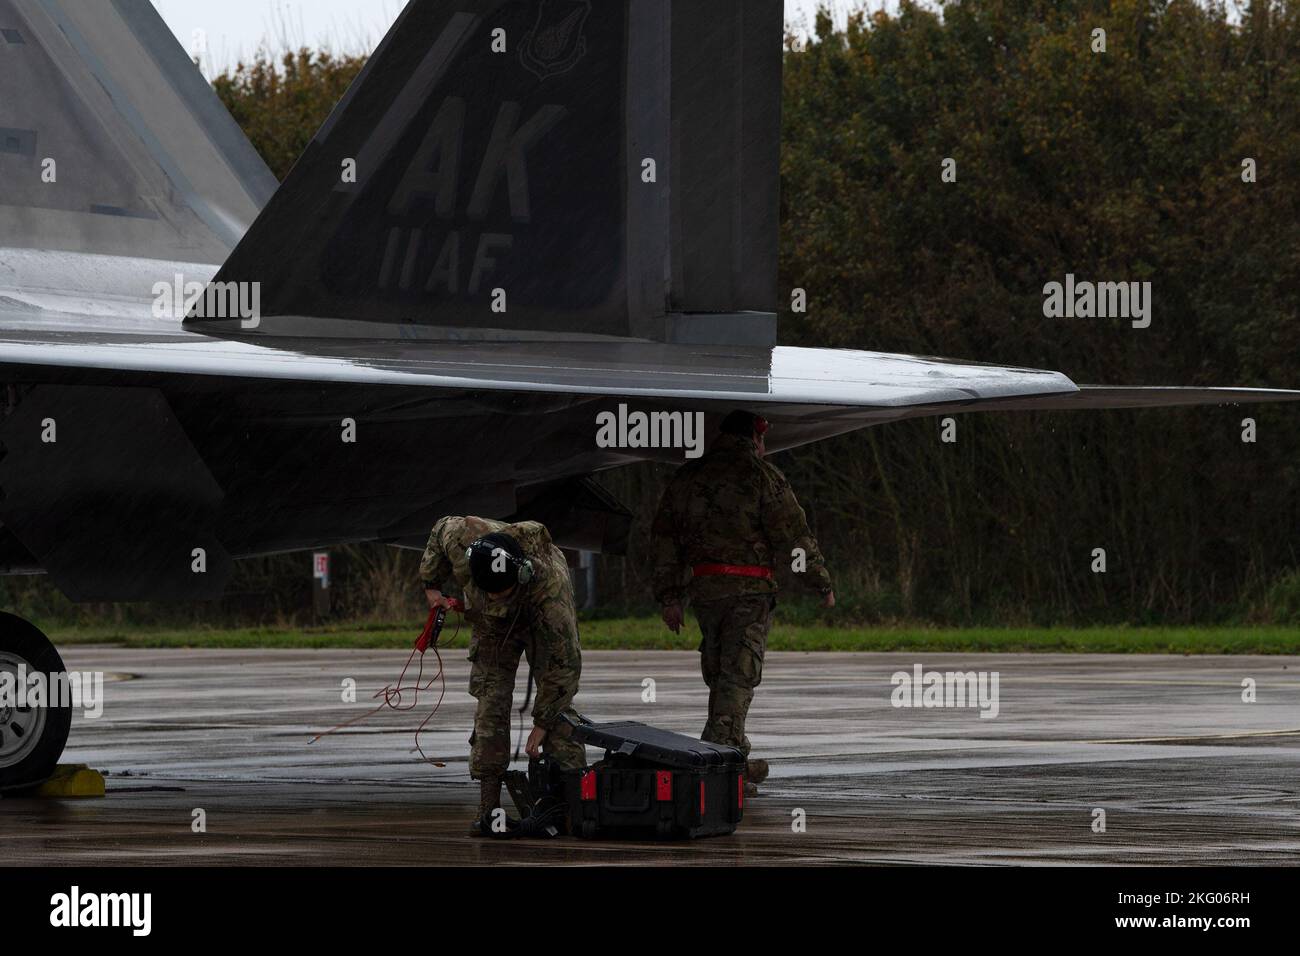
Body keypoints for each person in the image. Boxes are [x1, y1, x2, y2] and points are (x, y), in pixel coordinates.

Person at [650, 411, 834, 794]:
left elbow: (665, 542)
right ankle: (716, 767)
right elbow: (793, 536)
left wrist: (670, 597)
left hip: (706, 593)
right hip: (748, 595)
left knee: (721, 678)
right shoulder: (762, 476)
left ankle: (732, 756)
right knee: (737, 678)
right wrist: (820, 583)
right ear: (755, 437)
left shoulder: (689, 478)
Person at [419, 516, 585, 835]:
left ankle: (570, 805)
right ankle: (488, 810)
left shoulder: (551, 592)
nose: (497, 600)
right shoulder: (462, 539)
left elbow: (564, 667)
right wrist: (431, 584)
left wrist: (542, 722)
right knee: (490, 707)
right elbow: (439, 528)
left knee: (559, 714)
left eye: (503, 593)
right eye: (490, 593)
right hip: (493, 629)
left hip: (536, 620)